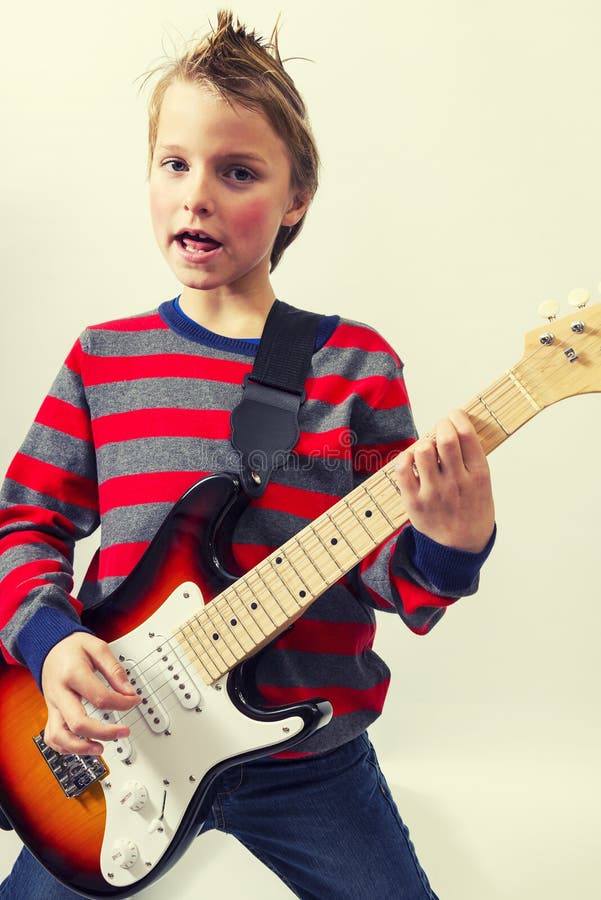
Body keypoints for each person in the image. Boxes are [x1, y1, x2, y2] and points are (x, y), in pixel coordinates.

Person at [0, 10, 495, 899]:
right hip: (117, 748)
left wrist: (449, 544)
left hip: (309, 758)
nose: (197, 196)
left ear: (296, 198)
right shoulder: (102, 359)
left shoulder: (356, 366)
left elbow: (395, 581)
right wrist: (50, 644)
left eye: (237, 172)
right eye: (175, 164)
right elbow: (26, 522)